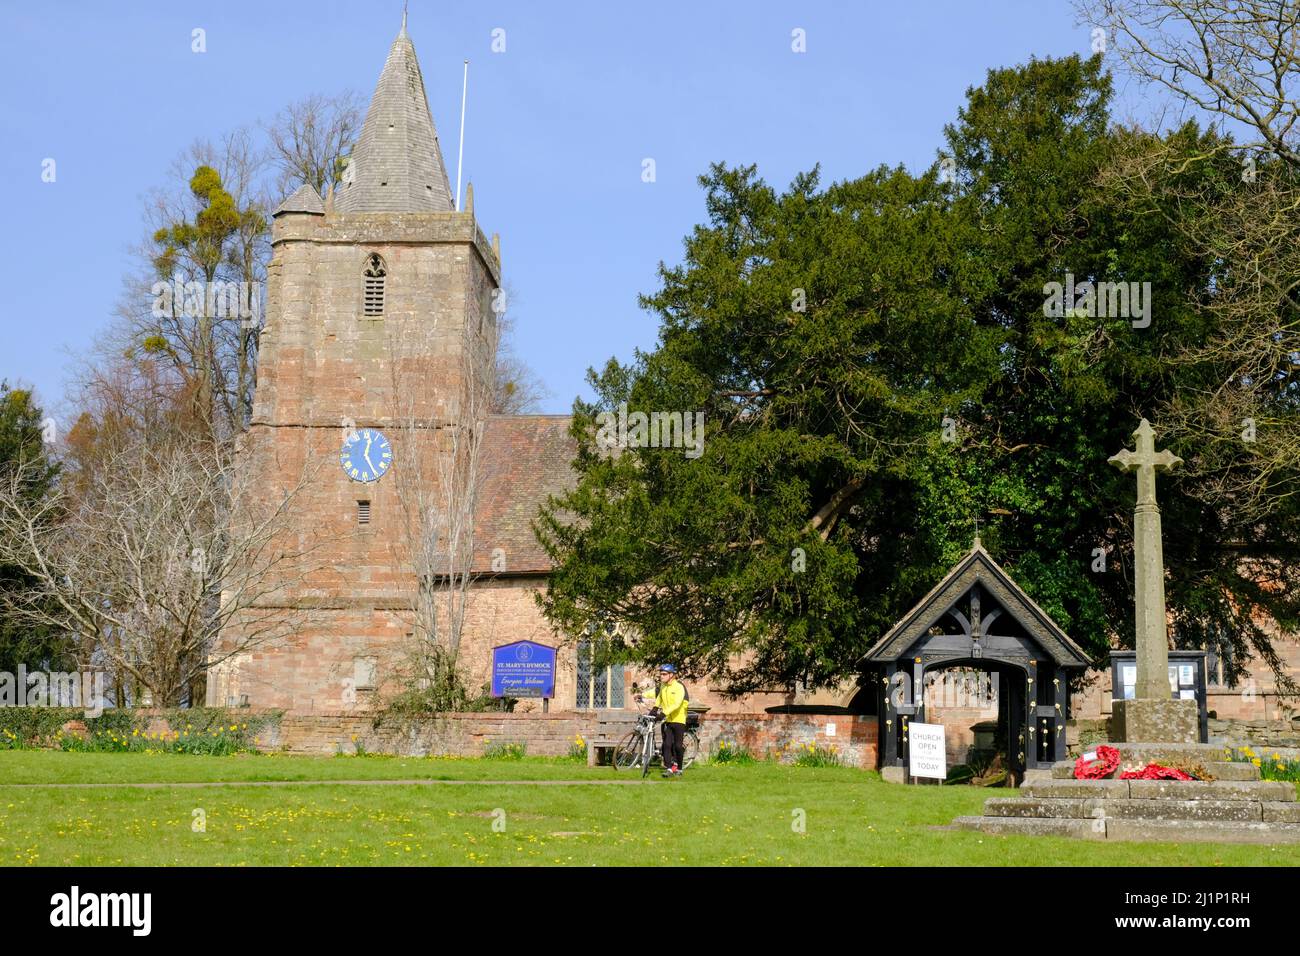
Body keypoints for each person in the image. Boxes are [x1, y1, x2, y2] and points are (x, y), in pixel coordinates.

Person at [643, 664, 688, 777]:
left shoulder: (678, 687)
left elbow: (677, 704)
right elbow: (660, 697)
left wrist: (663, 713)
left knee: (677, 746)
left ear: (671, 675)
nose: (661, 676)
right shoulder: (663, 686)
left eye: (664, 674)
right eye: (661, 674)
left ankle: (680, 769)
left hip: (679, 719)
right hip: (669, 719)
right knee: (667, 744)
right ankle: (669, 769)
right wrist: (655, 708)